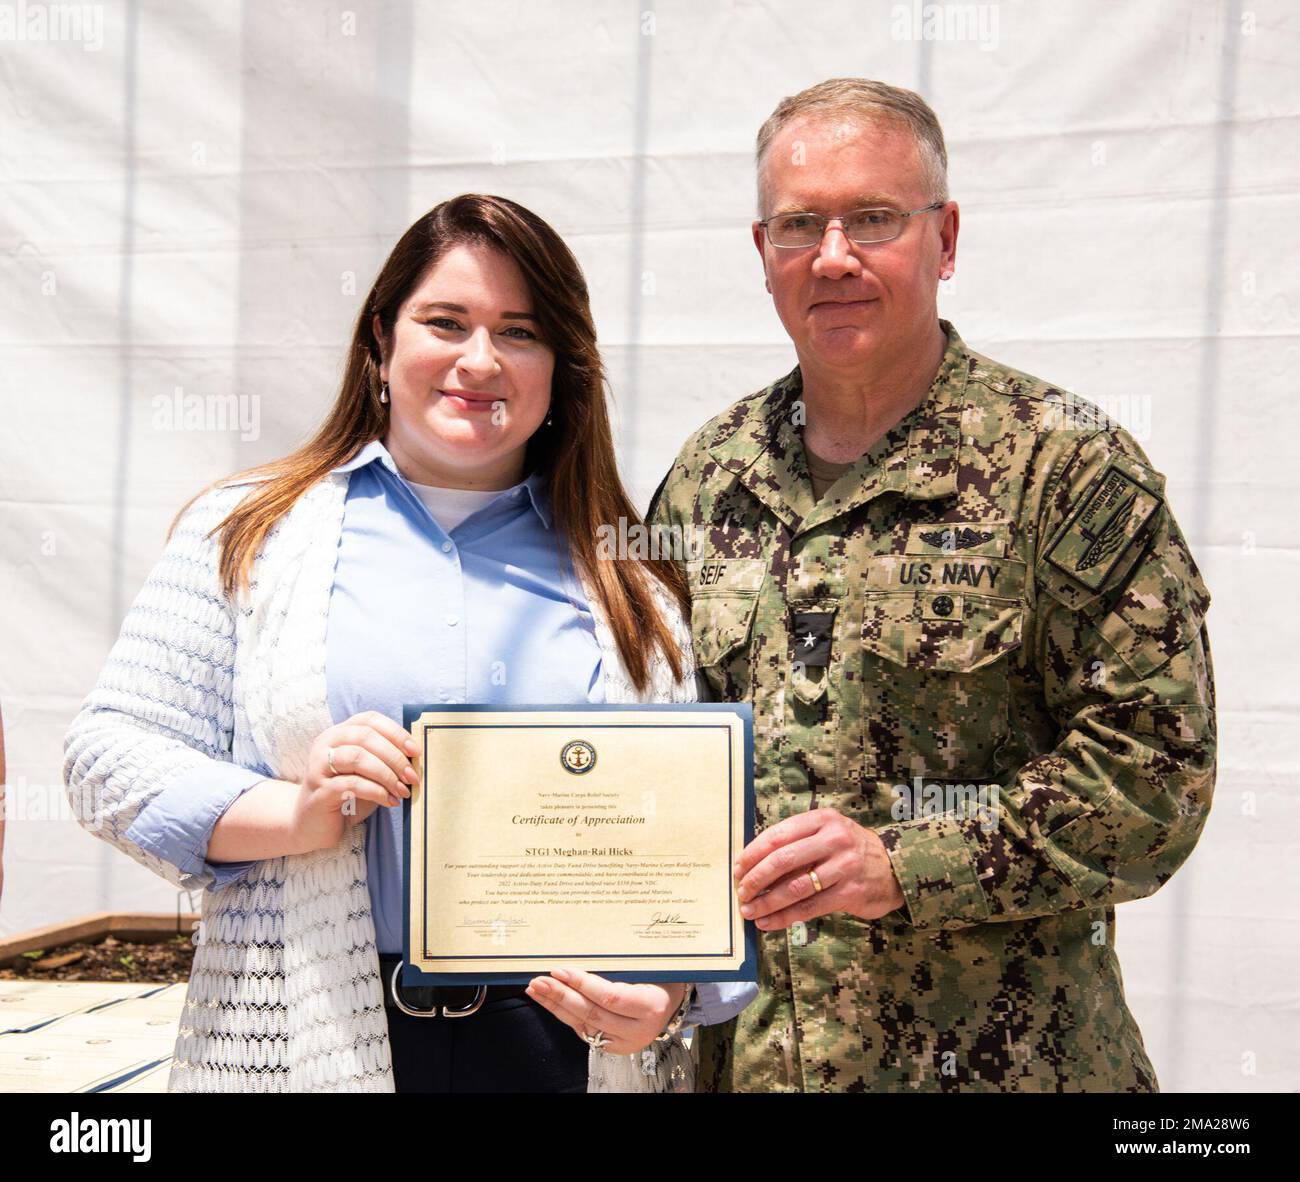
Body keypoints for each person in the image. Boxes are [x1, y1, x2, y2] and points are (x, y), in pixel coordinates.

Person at [63, 193, 754, 1093]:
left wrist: (667, 986)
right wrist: (293, 812)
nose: (480, 360)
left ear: (562, 369)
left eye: (520, 331)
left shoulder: (631, 573)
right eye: (446, 322)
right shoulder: (245, 531)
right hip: (315, 1028)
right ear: (381, 344)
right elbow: (104, 757)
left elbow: (685, 840)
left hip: (561, 1048)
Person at [648, 78, 1216, 1092]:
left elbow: (1155, 779)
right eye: (798, 225)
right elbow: (648, 751)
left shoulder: (1067, 468)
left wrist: (908, 861)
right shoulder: (707, 476)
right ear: (762, 253)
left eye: (872, 219)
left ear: (944, 239)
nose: (832, 258)